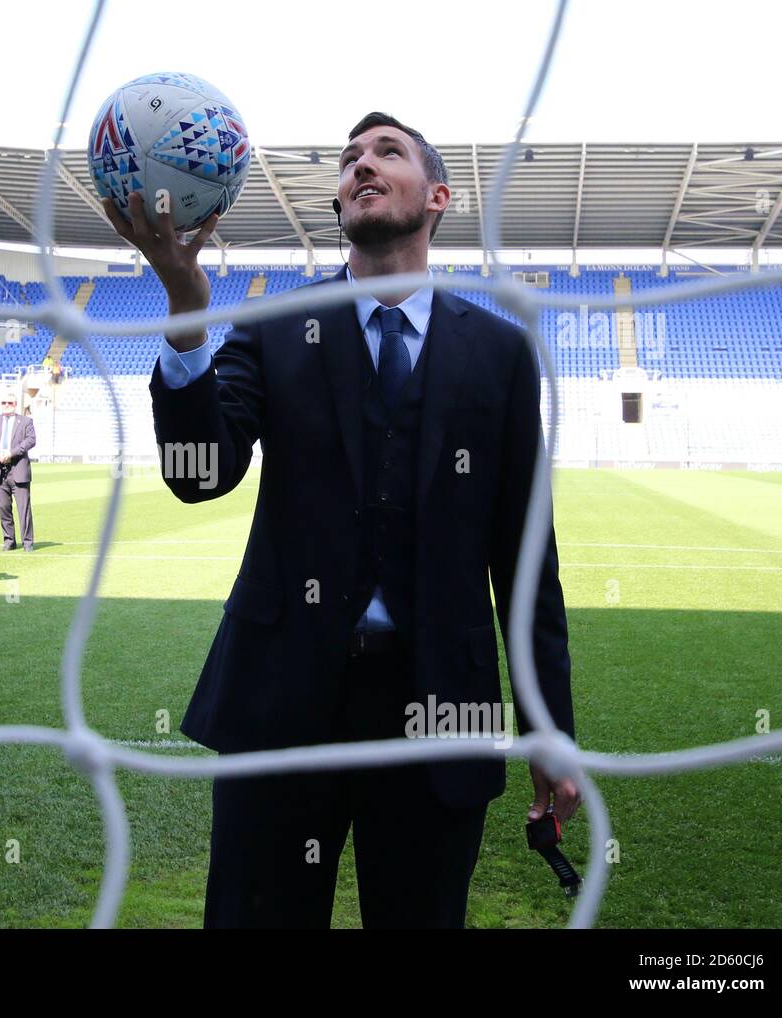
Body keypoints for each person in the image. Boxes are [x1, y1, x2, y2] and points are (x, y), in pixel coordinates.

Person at [103, 111, 580, 929]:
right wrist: (186, 308)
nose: (361, 164)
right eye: (348, 158)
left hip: (439, 710)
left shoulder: (501, 354)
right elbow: (199, 476)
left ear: (438, 195)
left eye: (386, 152)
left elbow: (525, 558)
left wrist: (549, 728)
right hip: (281, 700)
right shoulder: (277, 326)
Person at [0, 396, 36, 551]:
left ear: (15, 404)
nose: (6, 405)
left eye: (9, 403)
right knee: (3, 508)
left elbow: (31, 440)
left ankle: (27, 542)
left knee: (23, 509)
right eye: (3, 402)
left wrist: (12, 453)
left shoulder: (25, 421)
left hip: (18, 469)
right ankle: (9, 540)